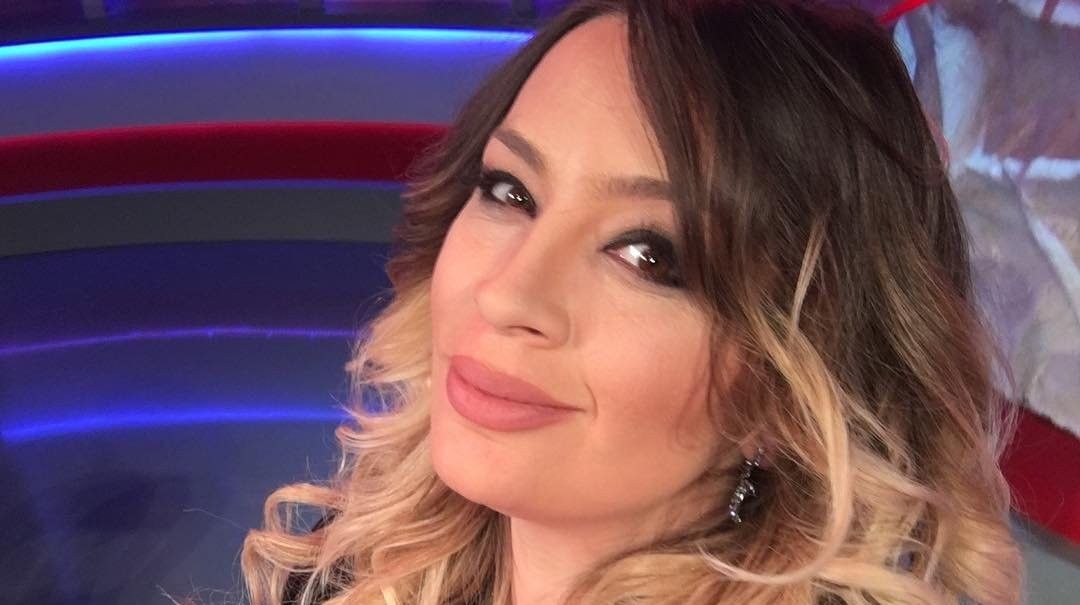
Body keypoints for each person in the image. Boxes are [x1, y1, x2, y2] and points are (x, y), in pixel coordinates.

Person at [241, 1, 1024, 603]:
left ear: (788, 390)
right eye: (509, 191)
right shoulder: (349, 567)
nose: (507, 292)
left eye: (648, 254)